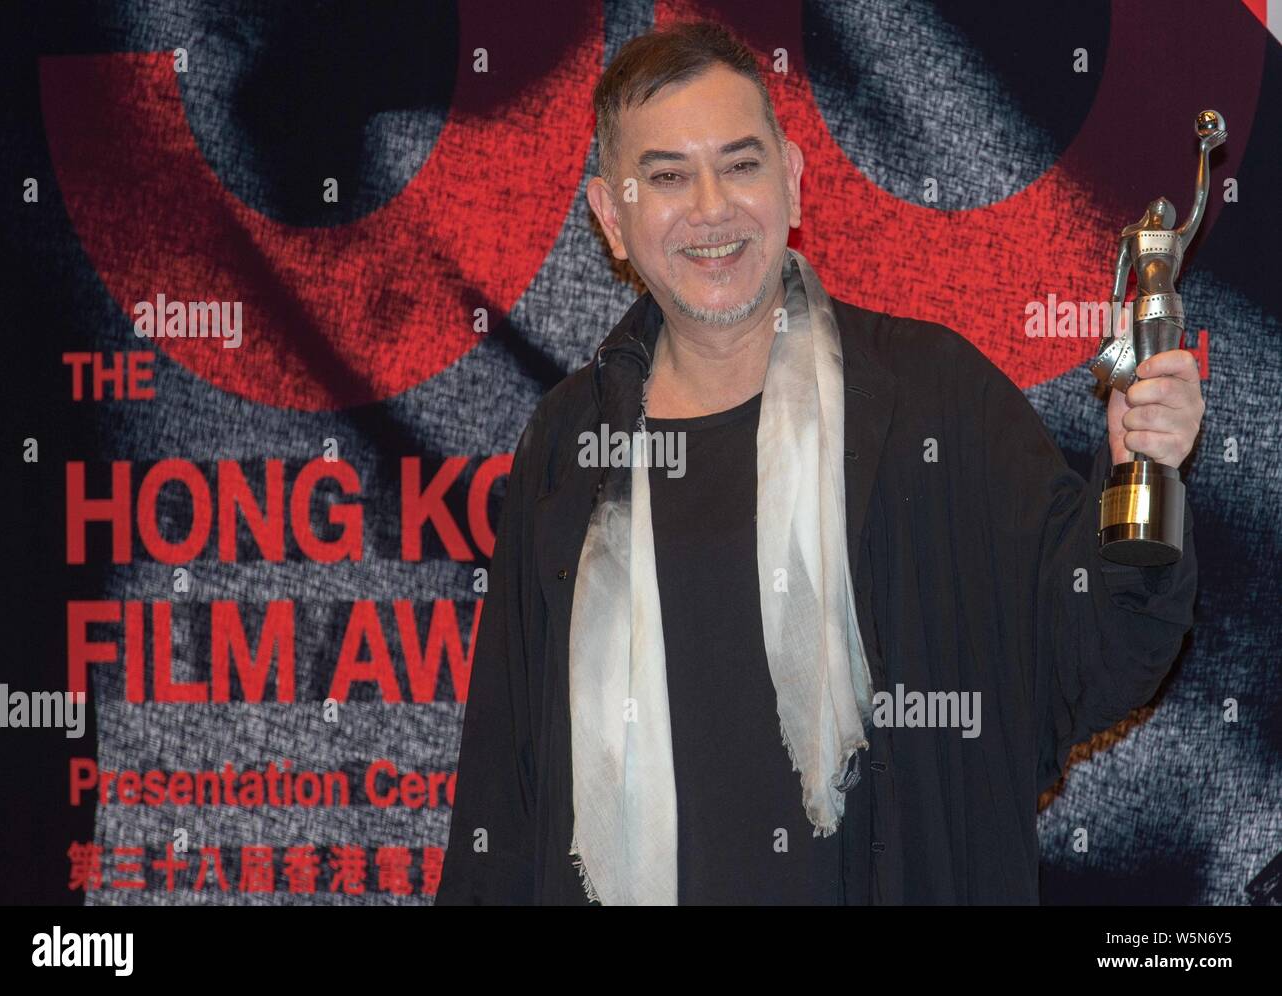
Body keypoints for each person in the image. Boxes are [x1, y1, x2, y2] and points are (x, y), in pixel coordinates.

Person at [434, 21, 1201, 906]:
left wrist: (1146, 478)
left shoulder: (932, 399)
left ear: (794, 180)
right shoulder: (568, 448)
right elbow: (508, 785)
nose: (713, 206)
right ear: (612, 216)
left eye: (742, 162)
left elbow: (1099, 649)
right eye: (669, 176)